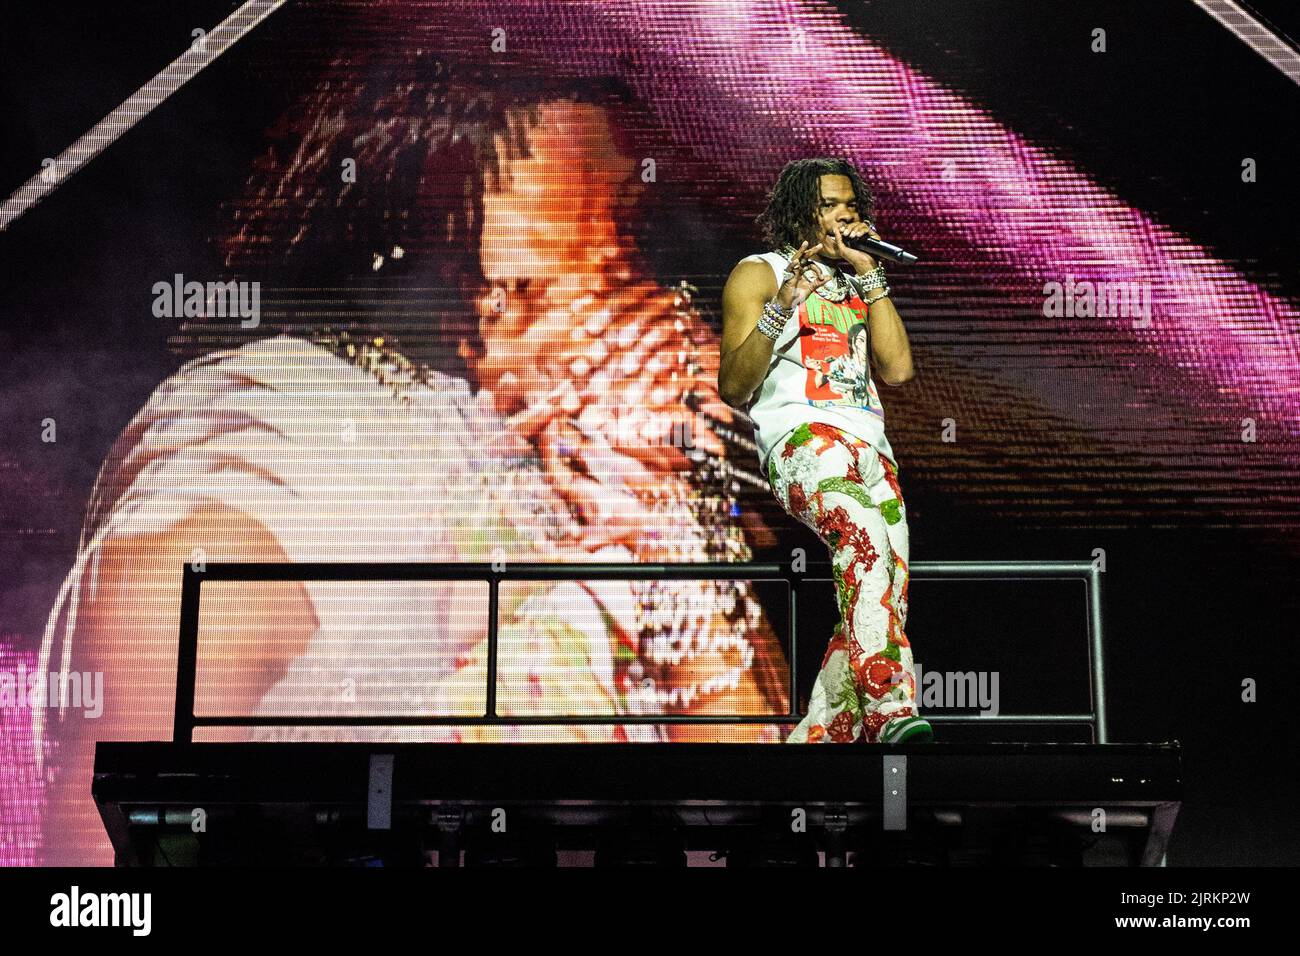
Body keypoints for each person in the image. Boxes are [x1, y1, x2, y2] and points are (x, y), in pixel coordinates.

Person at [33, 66, 791, 865]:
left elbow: (763, 828)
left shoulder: (623, 473)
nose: (618, 307)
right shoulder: (298, 446)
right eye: (533, 285)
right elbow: (98, 867)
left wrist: (681, 544)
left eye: (626, 251)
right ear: (427, 288)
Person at [718, 157, 933, 744]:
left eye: (851, 204)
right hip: (804, 441)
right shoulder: (759, 273)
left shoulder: (860, 280)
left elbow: (898, 369)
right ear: (800, 213)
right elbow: (733, 387)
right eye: (832, 204)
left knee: (880, 585)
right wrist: (781, 307)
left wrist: (872, 276)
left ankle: (821, 738)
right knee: (861, 534)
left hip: (871, 447)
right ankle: (890, 709)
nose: (847, 214)